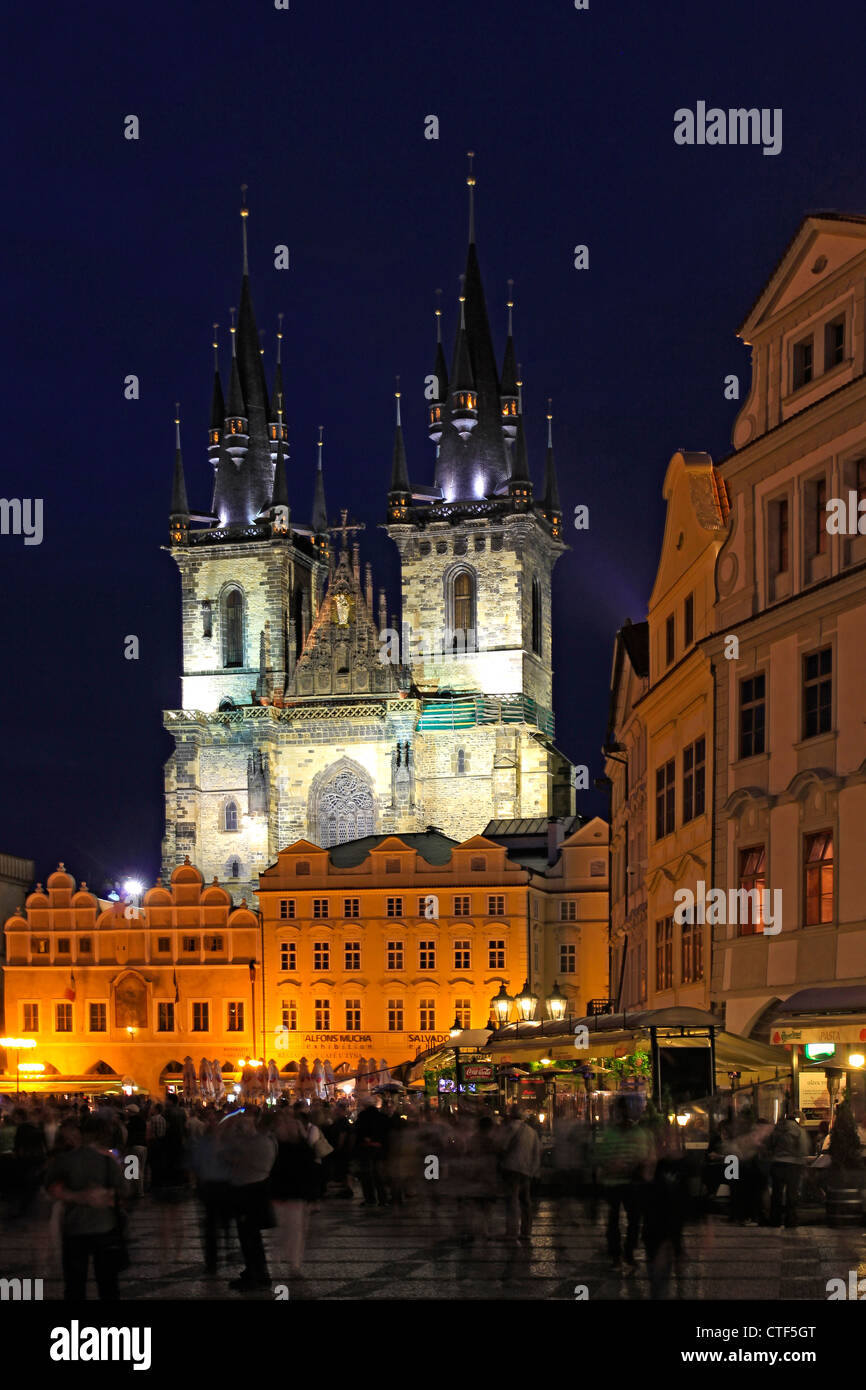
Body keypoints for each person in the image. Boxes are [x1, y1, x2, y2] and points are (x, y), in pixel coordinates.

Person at [45, 1113, 126, 1301]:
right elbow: (124, 1192)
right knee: (108, 1284)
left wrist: (76, 1197)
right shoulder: (109, 1160)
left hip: (74, 1229)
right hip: (105, 1227)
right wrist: (104, 1197)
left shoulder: (66, 1160)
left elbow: (51, 1188)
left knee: (74, 1285)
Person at [596, 1097, 652, 1273]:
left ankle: (623, 1255)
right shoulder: (634, 1133)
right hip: (622, 1183)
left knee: (627, 1220)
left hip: (625, 1182)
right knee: (625, 1220)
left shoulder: (633, 1133)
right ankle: (623, 1254)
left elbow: (642, 1157)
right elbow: (604, 1157)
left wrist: (619, 1164)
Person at [224, 1109, 277, 1291]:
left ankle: (257, 1275)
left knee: (249, 1238)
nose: (243, 1127)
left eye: (246, 1123)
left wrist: (231, 1124)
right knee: (251, 1237)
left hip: (250, 1193)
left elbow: (230, 1154)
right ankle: (256, 1272)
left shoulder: (260, 1143)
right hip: (253, 1192)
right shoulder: (266, 1140)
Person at [269, 1107, 317, 1279]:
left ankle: (293, 1264)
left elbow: (311, 1173)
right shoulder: (278, 1146)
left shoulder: (301, 1149)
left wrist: (311, 1196)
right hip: (283, 1195)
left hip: (296, 1195)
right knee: (284, 1230)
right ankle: (280, 1259)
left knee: (295, 1231)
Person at [498, 1107, 541, 1244]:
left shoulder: (510, 1128)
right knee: (525, 1201)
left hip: (511, 1168)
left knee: (512, 1200)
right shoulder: (532, 1132)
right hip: (526, 1170)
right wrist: (534, 1170)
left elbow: (502, 1146)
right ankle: (526, 1231)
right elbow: (537, 1152)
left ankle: (511, 1231)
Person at [768, 1109, 810, 1228]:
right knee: (792, 1194)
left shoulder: (777, 1129)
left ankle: (775, 1220)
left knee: (777, 1193)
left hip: (777, 1164)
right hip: (793, 1165)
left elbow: (769, 1145)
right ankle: (790, 1220)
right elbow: (803, 1149)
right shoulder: (799, 1130)